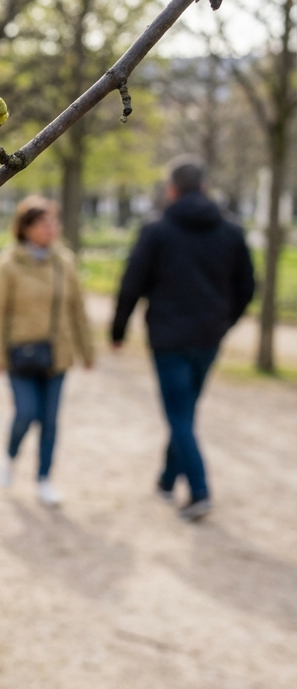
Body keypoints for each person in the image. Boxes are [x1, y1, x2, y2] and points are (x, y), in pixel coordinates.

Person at [111, 158, 255, 522]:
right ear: (205, 187)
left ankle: (200, 492)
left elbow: (132, 283)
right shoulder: (231, 230)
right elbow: (247, 287)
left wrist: (118, 330)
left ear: (172, 189)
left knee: (179, 416)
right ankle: (166, 479)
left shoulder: (156, 229)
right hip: (209, 337)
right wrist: (225, 323)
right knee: (185, 412)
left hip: (168, 338)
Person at [0, 196, 95, 507]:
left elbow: (77, 308)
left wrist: (87, 350)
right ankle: (10, 457)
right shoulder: (9, 265)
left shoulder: (65, 262)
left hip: (57, 353)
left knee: (50, 421)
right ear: (26, 228)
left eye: (54, 223)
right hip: (20, 354)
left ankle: (44, 479)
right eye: (44, 224)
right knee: (26, 413)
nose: (51, 229)